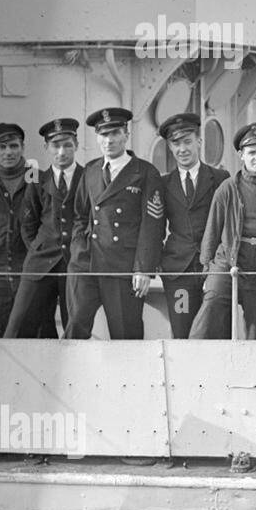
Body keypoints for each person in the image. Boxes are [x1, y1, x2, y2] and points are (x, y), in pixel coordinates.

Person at [67, 108, 166, 339]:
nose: (109, 140)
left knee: (125, 335)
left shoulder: (144, 172)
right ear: (97, 138)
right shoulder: (90, 170)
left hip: (123, 267)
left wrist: (143, 268)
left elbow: (152, 226)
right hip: (87, 264)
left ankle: (130, 377)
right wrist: (77, 251)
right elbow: (80, 216)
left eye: (114, 133)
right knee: (74, 328)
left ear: (126, 135)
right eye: (103, 135)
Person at [189, 122, 256, 339]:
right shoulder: (227, 188)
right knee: (209, 315)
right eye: (251, 152)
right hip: (227, 263)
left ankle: (255, 372)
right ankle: (198, 366)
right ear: (241, 155)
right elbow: (212, 230)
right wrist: (207, 270)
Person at [5, 118, 81, 337]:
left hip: (75, 264)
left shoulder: (88, 177)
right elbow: (27, 224)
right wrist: (38, 249)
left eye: (67, 144)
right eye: (55, 145)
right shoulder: (37, 179)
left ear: (75, 145)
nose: (62, 151)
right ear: (47, 148)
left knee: (74, 329)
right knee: (17, 329)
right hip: (40, 263)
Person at [158, 113, 229, 338]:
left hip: (214, 269)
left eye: (187, 141)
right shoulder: (163, 183)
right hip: (179, 271)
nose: (182, 149)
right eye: (176, 144)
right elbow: (154, 226)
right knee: (183, 332)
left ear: (198, 142)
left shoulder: (220, 178)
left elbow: (227, 225)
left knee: (217, 332)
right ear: (170, 147)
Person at [0, 123, 31, 337]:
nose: (8, 152)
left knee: (30, 337)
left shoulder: (38, 180)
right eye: (1, 147)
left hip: (29, 276)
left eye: (13, 146)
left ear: (22, 147)